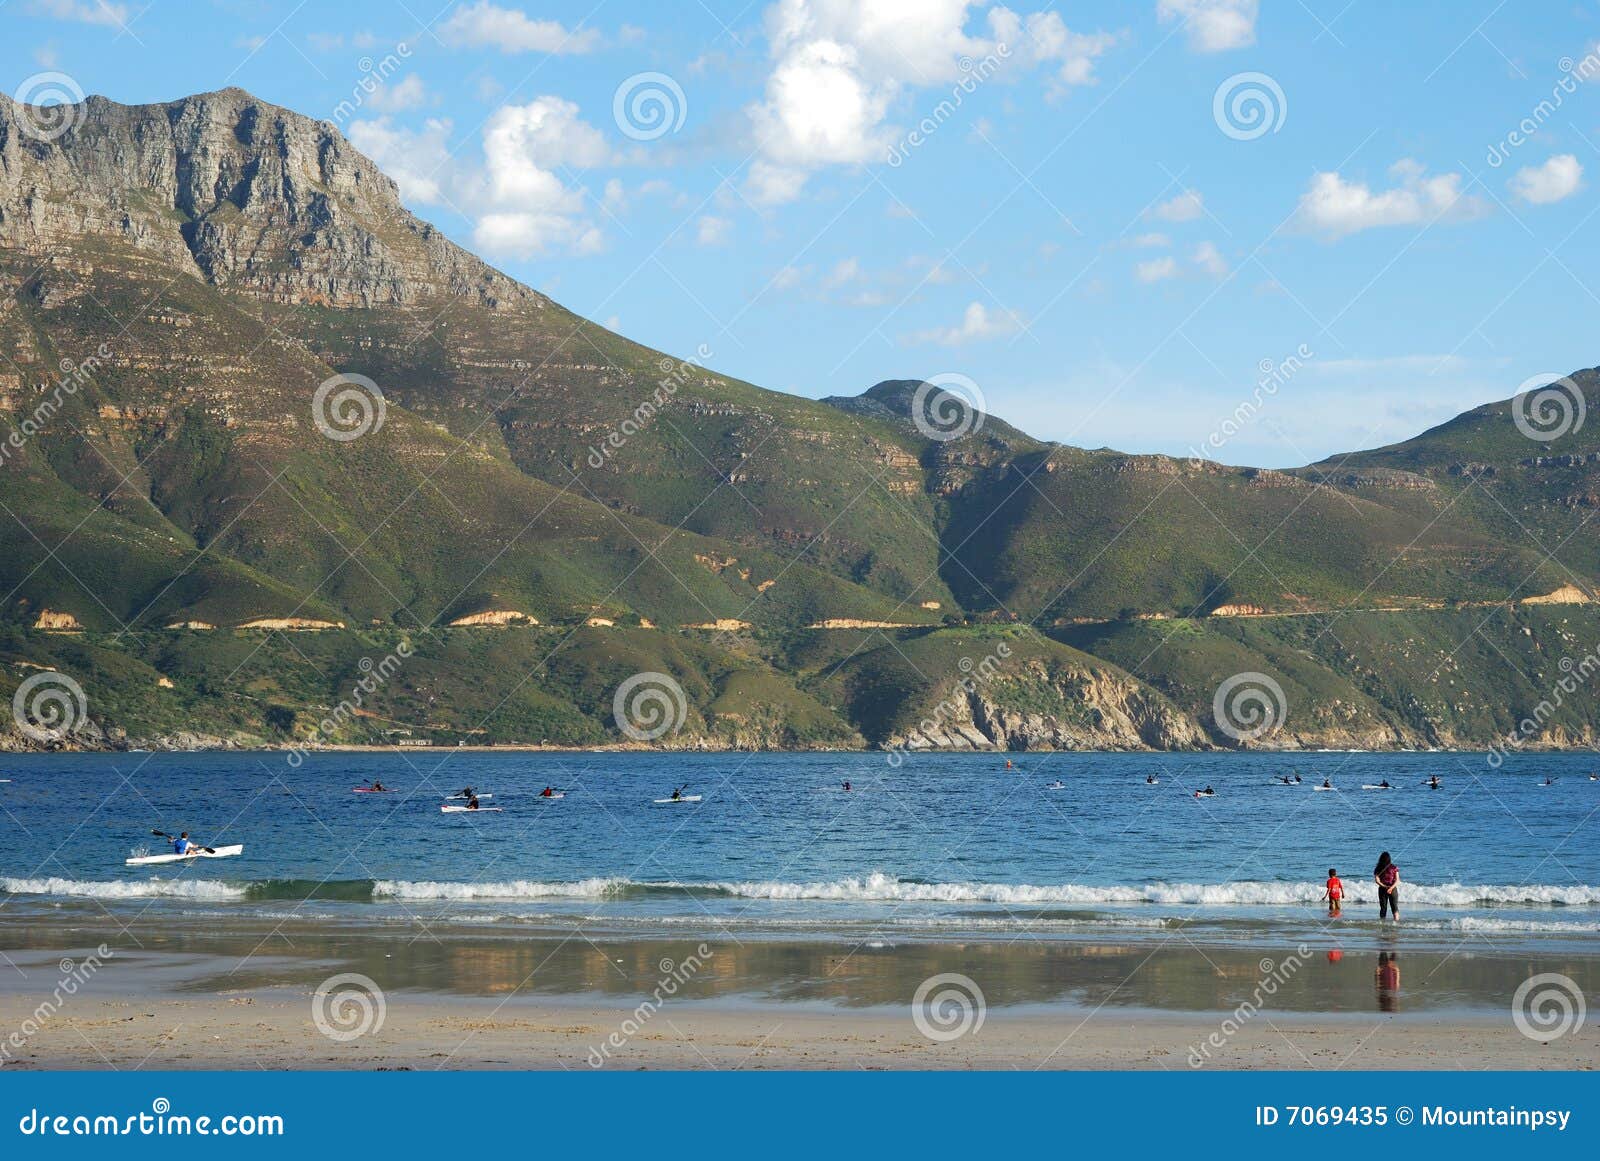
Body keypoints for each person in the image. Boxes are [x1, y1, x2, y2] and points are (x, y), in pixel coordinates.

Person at [1373, 851, 1400, 921]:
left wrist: (1385, 887)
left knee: (1383, 908)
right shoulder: (1394, 867)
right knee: (1394, 908)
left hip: (1382, 889)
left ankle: (1382, 924)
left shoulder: (1378, 868)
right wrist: (1391, 888)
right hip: (1393, 889)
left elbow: (1377, 881)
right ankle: (1396, 923)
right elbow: (1397, 880)